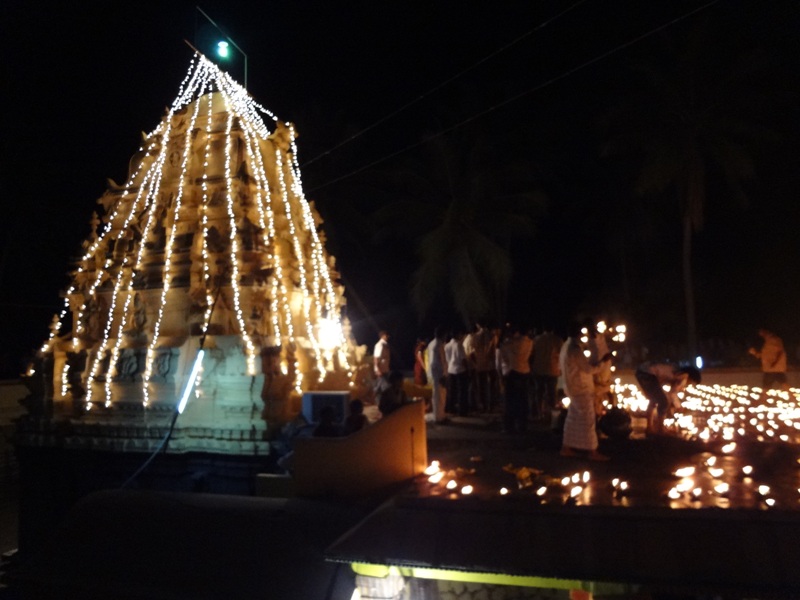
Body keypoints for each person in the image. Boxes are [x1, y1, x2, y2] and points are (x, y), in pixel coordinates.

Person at [559, 331, 611, 460]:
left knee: (573, 419)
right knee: (588, 420)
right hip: (581, 389)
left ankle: (566, 447)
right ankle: (592, 451)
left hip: (572, 387)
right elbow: (588, 369)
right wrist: (603, 363)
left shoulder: (566, 346)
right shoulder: (575, 349)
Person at [635, 361, 701, 435]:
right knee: (663, 402)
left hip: (642, 371)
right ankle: (660, 428)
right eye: (692, 382)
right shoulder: (684, 376)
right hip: (648, 374)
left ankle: (650, 428)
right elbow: (673, 393)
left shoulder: (678, 370)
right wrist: (679, 407)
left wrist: (674, 405)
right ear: (691, 378)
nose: (689, 384)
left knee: (654, 399)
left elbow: (672, 393)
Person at [498, 324, 533, 433]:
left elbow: (503, 356)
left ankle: (509, 426)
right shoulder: (530, 343)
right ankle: (522, 425)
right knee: (523, 400)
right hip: (525, 372)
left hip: (512, 372)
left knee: (510, 400)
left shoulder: (509, 343)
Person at [464, 321, 498, 413]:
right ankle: (490, 405)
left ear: (479, 325)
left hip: (479, 366)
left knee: (481, 387)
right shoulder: (492, 336)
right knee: (490, 386)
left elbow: (471, 353)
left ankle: (483, 405)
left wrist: (476, 363)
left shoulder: (474, 337)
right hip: (490, 365)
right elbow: (493, 353)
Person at [531, 327, 563, 421]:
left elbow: (532, 353)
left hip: (539, 369)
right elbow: (561, 355)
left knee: (539, 392)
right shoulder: (558, 340)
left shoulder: (537, 339)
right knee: (552, 393)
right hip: (552, 369)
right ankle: (552, 414)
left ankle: (539, 412)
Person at [426, 326, 448, 424]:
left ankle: (438, 415)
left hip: (433, 373)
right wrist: (444, 374)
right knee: (440, 395)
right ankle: (439, 417)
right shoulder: (439, 344)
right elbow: (442, 361)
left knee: (436, 395)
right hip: (439, 373)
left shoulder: (431, 343)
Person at [445, 330, 469, 416]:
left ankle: (451, 408)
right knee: (462, 392)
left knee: (452, 391)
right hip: (460, 370)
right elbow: (463, 359)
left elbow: (447, 359)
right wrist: (467, 369)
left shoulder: (447, 345)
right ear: (457, 335)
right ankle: (462, 411)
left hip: (450, 370)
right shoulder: (459, 345)